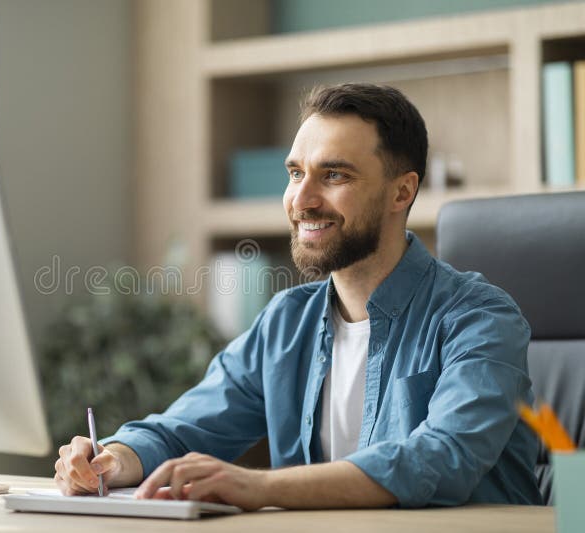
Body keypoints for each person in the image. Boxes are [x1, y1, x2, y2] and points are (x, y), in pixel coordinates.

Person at [53, 83, 543, 510]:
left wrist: (261, 486)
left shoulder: (480, 317)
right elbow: (180, 431)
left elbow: (441, 459)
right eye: (294, 173)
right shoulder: (287, 322)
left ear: (401, 193)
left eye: (334, 176)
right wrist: (111, 461)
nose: (301, 200)